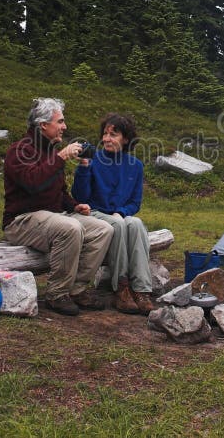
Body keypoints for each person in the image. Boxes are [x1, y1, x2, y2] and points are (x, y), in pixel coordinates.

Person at [3, 98, 113, 316]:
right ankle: (57, 294)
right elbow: (33, 183)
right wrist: (61, 157)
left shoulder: (51, 151)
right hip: (21, 221)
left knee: (103, 229)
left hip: (52, 217)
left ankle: (77, 289)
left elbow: (59, 192)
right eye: (60, 121)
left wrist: (75, 205)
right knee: (70, 227)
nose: (65, 126)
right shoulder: (19, 150)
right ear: (43, 125)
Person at [71, 113, 155, 314]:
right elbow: (80, 196)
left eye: (113, 134)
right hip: (93, 214)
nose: (107, 139)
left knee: (135, 223)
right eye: (105, 134)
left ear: (126, 139)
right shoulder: (94, 159)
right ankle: (121, 287)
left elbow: (135, 202)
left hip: (118, 216)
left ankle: (142, 289)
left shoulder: (135, 166)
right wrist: (84, 167)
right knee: (118, 224)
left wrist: (121, 211)